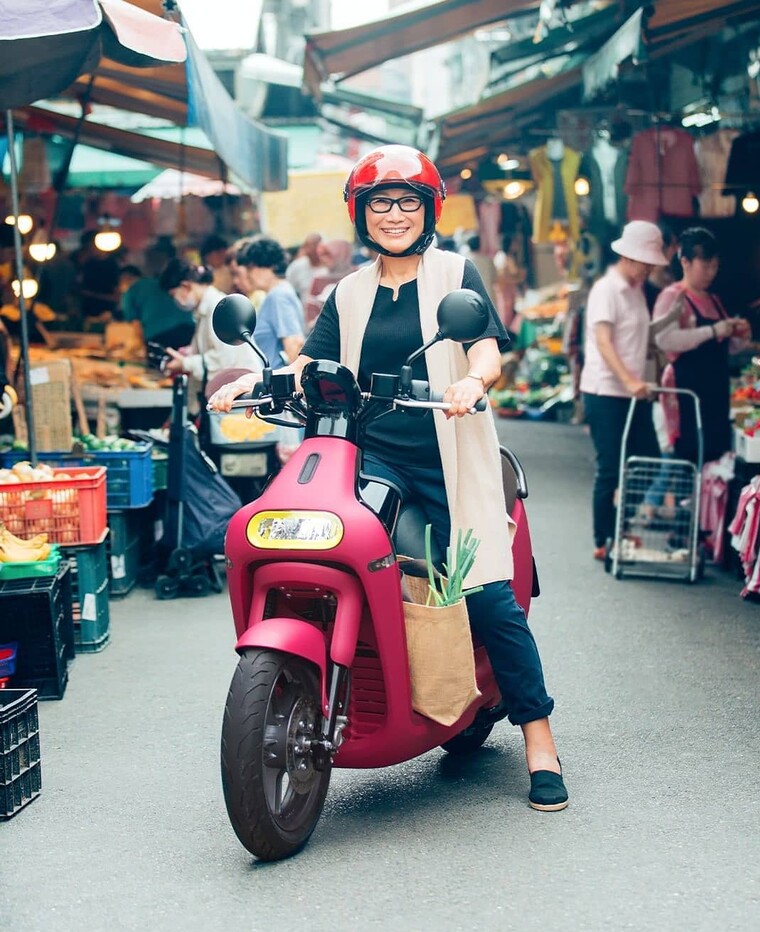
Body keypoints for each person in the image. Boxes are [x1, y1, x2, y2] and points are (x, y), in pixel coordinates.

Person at [209, 144, 569, 812]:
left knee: (486, 594)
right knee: (361, 565)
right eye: (380, 203)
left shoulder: (457, 271)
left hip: (449, 464)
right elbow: (306, 363)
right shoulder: (349, 292)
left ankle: (538, 739)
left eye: (407, 202)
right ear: (360, 215)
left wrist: (471, 378)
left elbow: (486, 343)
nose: (394, 214)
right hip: (372, 461)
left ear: (427, 209)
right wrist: (249, 382)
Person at [580, 221, 681, 560]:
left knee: (648, 461)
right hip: (605, 391)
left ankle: (619, 528)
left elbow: (638, 337)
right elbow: (605, 343)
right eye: (647, 261)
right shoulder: (607, 290)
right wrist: (629, 381)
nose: (651, 268)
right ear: (630, 256)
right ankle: (603, 539)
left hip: (634, 392)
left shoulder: (636, 290)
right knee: (610, 467)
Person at [653, 227, 751, 465]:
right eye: (705, 266)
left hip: (716, 392)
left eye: (715, 266)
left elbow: (726, 348)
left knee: (715, 459)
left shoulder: (714, 300)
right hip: (689, 393)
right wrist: (712, 330)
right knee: (690, 457)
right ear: (685, 262)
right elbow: (664, 339)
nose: (711, 273)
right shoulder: (673, 296)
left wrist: (740, 335)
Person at [158, 258, 262, 409]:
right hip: (230, 395)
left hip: (243, 396)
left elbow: (223, 360)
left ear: (185, 286)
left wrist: (185, 363)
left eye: (174, 294)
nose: (176, 300)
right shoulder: (204, 311)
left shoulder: (217, 308)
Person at [235, 237, 305, 369]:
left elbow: (294, 344)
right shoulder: (278, 294)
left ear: (268, 267)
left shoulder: (278, 296)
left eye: (251, 268)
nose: (249, 274)